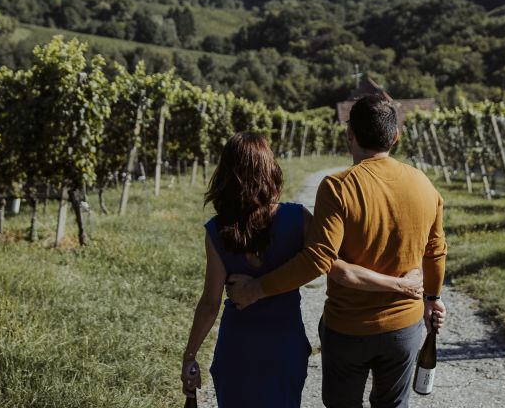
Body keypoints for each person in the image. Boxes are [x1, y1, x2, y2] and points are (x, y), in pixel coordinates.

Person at [227, 94, 447, 408]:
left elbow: (318, 258)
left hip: (348, 329)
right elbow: (436, 252)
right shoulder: (425, 185)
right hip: (404, 327)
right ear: (396, 136)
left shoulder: (338, 186)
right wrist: (433, 300)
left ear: (350, 135)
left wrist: (256, 289)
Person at [181, 131, 423, 407]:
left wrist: (190, 355)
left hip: (237, 346)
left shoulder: (216, 231)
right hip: (284, 346)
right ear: (269, 169)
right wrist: (399, 283)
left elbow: (210, 304)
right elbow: (335, 266)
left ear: (225, 173)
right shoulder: (297, 219)